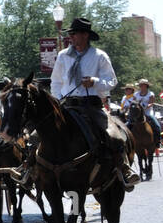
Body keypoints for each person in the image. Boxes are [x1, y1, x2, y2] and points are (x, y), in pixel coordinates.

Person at [49, 16, 138, 189]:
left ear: (85, 35)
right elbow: (56, 82)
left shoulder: (99, 56)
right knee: (38, 134)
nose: (72, 37)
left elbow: (112, 81)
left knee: (115, 136)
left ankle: (124, 168)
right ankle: (29, 169)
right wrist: (58, 101)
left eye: (74, 34)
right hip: (67, 105)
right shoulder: (63, 56)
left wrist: (95, 82)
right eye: (71, 34)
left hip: (91, 105)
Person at [125, 78, 162, 143]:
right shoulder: (136, 94)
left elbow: (151, 103)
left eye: (142, 85)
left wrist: (144, 108)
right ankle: (127, 140)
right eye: (140, 85)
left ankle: (158, 140)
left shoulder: (151, 94)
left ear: (146, 85)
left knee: (157, 125)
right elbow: (133, 102)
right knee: (128, 124)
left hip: (148, 111)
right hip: (137, 112)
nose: (141, 86)